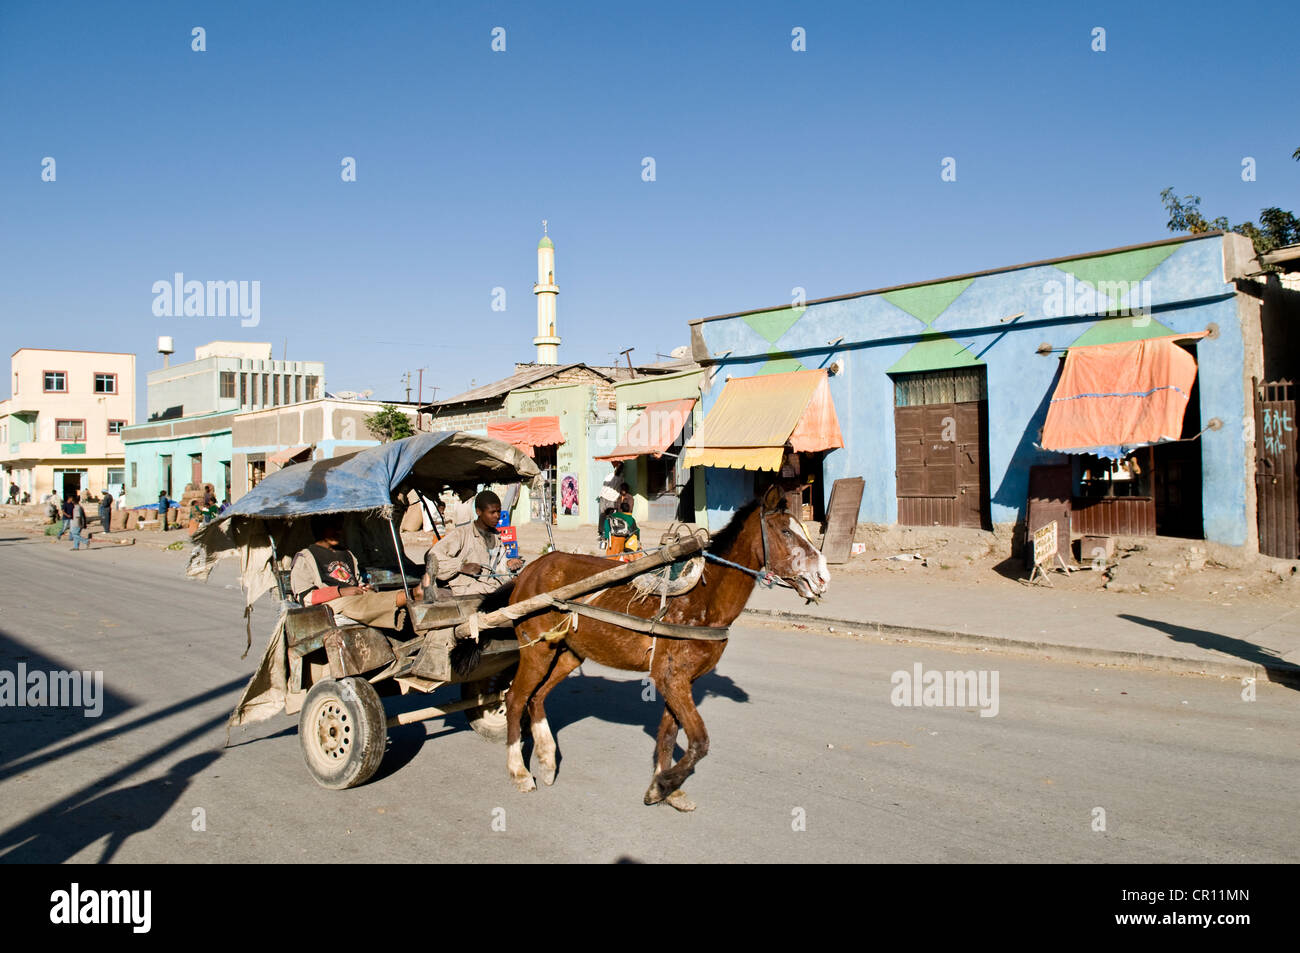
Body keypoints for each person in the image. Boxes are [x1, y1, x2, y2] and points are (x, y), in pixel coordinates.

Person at [289, 514, 423, 630]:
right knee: (360, 605)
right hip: (330, 606)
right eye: (332, 527)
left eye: (339, 527)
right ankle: (411, 594)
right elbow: (305, 597)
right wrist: (341, 592)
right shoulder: (305, 557)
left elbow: (356, 581)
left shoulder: (347, 554)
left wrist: (362, 587)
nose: (338, 531)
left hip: (354, 598)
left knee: (370, 598)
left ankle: (411, 595)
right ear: (319, 528)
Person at [430, 490, 524, 596]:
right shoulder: (461, 534)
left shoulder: (497, 536)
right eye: (492, 512)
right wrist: (460, 567)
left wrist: (508, 563)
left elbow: (497, 566)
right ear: (478, 512)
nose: (497, 516)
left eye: (499, 511)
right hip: (466, 592)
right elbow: (433, 557)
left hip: (490, 589)